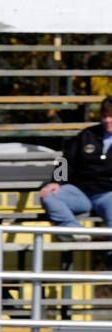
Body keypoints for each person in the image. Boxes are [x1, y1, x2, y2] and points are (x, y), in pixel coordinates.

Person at [38, 95, 112, 241]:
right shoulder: (87, 135)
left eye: (111, 116)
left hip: (108, 195)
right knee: (48, 195)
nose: (107, 120)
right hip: (81, 192)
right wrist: (57, 181)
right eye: (104, 116)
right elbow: (65, 159)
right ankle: (76, 231)